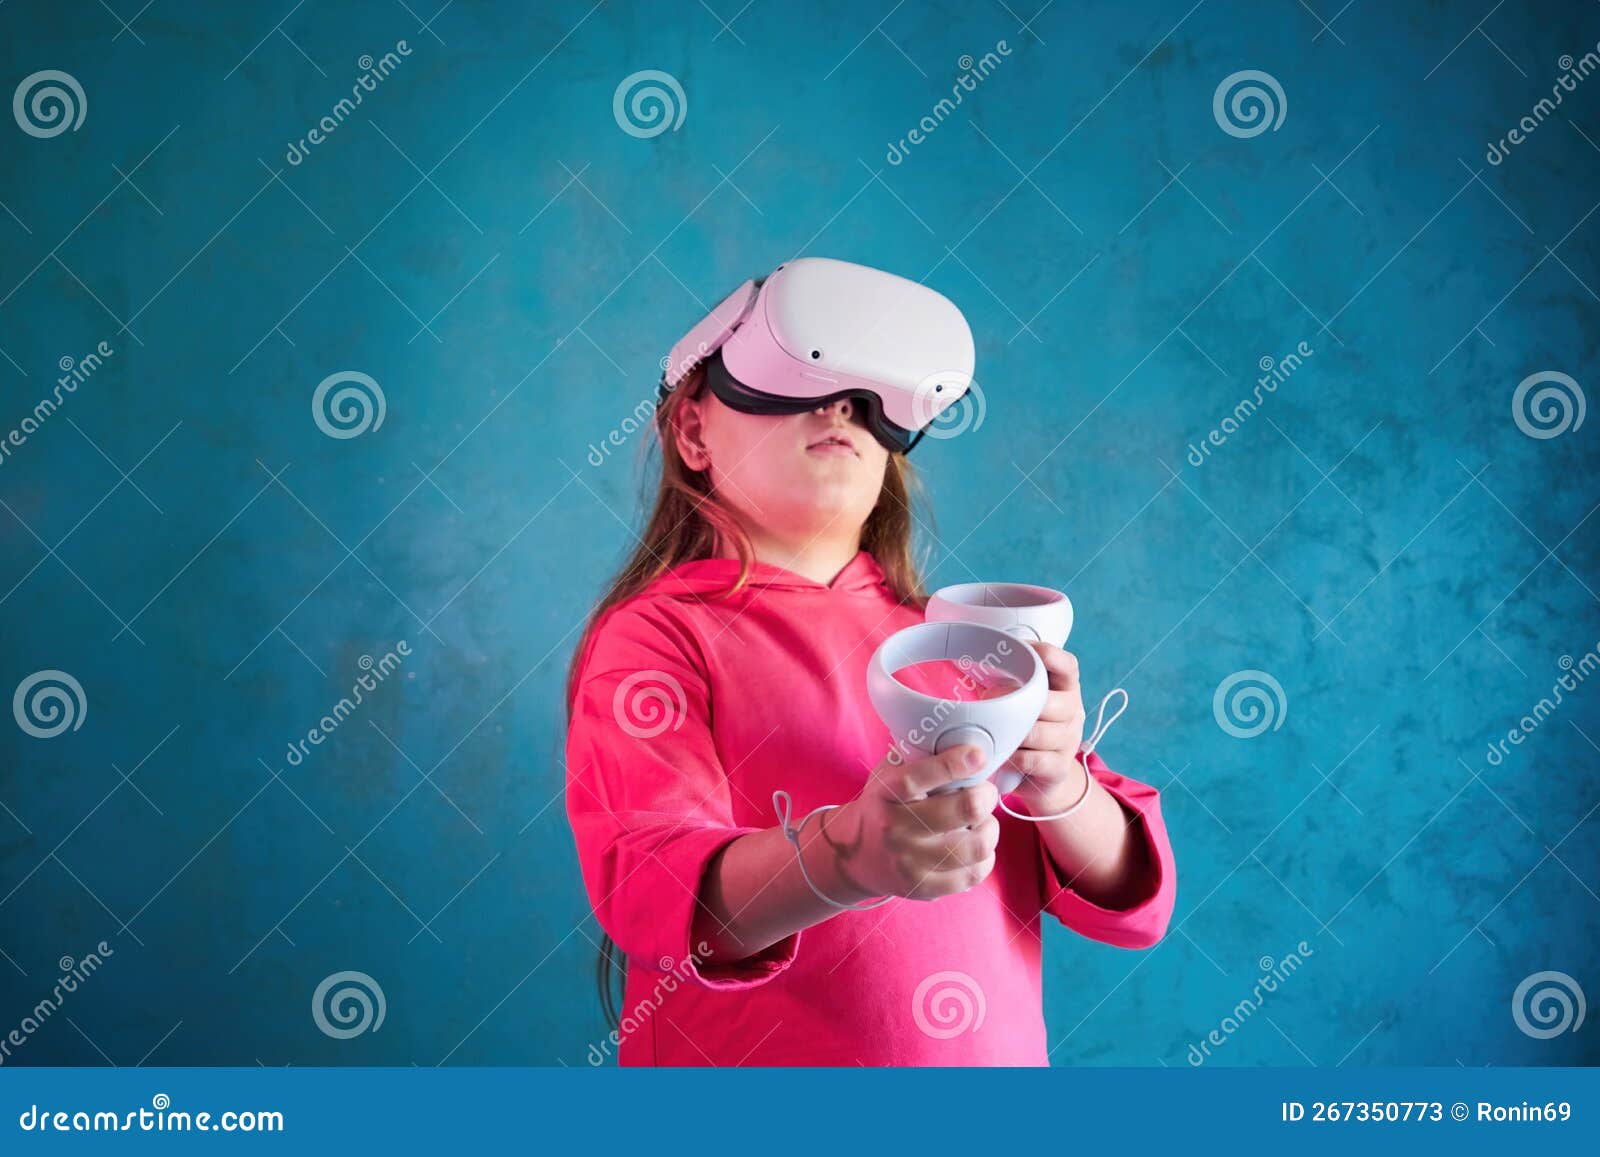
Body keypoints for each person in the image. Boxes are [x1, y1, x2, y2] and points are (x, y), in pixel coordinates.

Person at [564, 343, 1177, 1065]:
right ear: (694, 433)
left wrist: (1059, 781)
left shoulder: (957, 642)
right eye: (788, 379)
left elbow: (1134, 904)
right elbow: (651, 884)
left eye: (864, 393)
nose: (840, 406)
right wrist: (843, 860)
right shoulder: (658, 634)